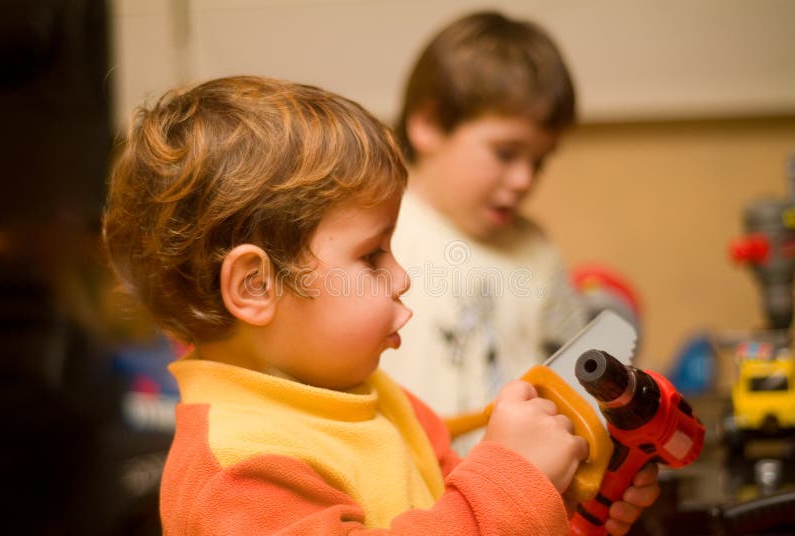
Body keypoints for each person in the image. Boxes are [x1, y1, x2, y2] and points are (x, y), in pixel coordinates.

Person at [102, 75, 657, 534]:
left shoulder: (372, 395)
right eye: (372, 256)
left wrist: (565, 503)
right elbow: (483, 510)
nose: (402, 277)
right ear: (255, 286)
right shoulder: (236, 470)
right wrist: (512, 475)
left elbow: (469, 515)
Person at [381, 10, 590, 440]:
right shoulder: (376, 235)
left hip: (519, 486)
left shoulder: (536, 251)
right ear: (429, 125)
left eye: (539, 161)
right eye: (506, 153)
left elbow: (581, 370)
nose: (524, 180)